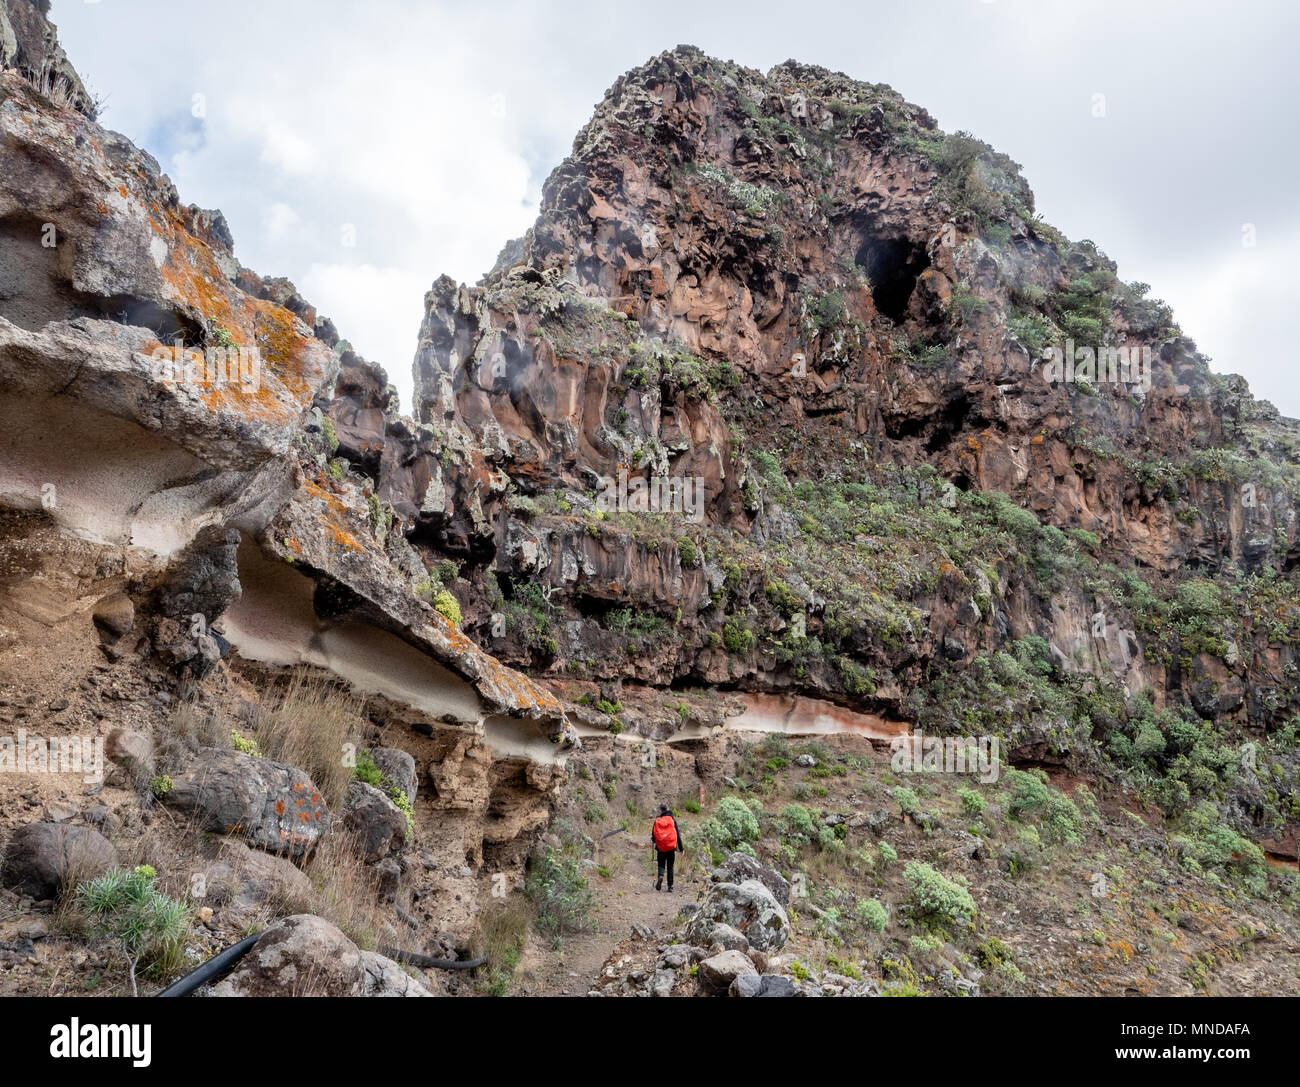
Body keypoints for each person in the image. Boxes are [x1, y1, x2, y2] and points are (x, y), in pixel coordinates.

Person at [651, 804, 684, 892]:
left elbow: (653, 836)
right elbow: (678, 834)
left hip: (661, 848)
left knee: (661, 864)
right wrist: (681, 848)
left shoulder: (657, 821)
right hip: (671, 848)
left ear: (661, 811)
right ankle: (670, 886)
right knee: (670, 866)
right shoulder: (672, 819)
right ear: (667, 809)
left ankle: (661, 876)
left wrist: (655, 841)